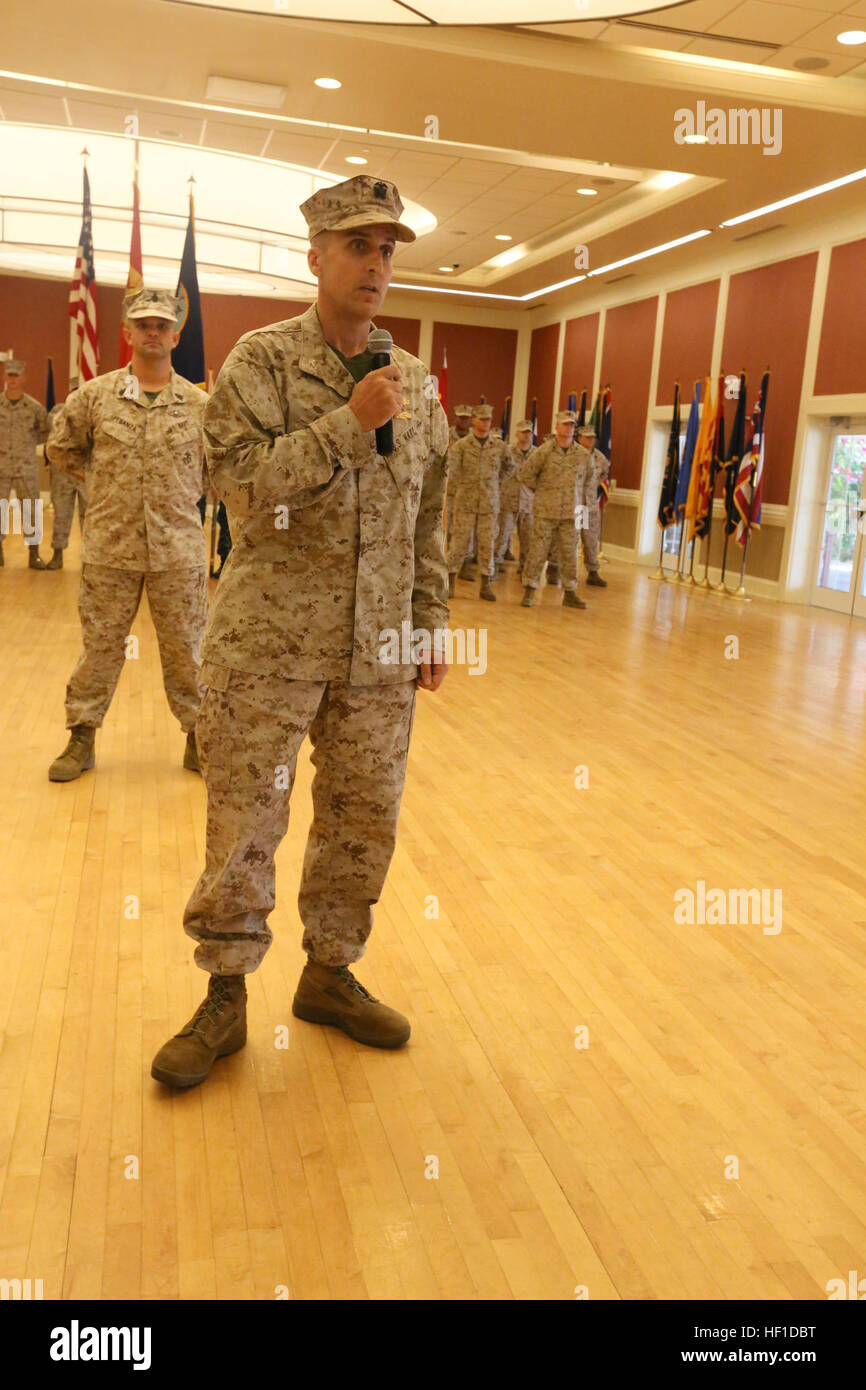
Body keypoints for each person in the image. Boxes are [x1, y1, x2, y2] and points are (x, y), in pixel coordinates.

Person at [151, 174, 450, 1090]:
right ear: (315, 255)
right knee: (245, 820)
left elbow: (428, 513)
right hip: (268, 649)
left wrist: (430, 619)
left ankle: (330, 973)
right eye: (358, 246)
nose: (377, 264)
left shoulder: (418, 386)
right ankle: (226, 996)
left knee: (364, 822)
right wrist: (347, 428)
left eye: (389, 248)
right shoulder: (260, 363)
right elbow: (236, 487)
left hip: (376, 656)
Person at [45, 289, 209, 780]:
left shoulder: (201, 406)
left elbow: (217, 470)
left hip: (178, 551)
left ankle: (198, 737)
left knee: (187, 649)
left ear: (176, 335)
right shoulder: (95, 397)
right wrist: (100, 487)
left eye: (162, 325)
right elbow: (61, 449)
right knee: (101, 646)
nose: (153, 332)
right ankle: (81, 737)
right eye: (144, 324)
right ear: (127, 333)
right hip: (109, 548)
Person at [518, 409, 594, 610]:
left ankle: (570, 592)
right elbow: (526, 475)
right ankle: (529, 590)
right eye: (565, 424)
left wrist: (582, 512)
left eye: (572, 425)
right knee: (537, 553)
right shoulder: (543, 451)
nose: (569, 428)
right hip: (545, 511)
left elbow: (587, 484)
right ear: (557, 427)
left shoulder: (584, 456)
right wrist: (543, 493)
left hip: (573, 513)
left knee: (570, 555)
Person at [446, 403, 514, 602]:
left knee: (487, 544)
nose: (485, 423)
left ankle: (485, 584)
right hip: (465, 502)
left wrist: (494, 483)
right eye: (482, 419)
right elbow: (453, 473)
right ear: (474, 421)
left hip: (489, 504)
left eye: (488, 420)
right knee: (458, 543)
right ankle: (450, 581)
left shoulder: (500, 447)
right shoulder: (462, 446)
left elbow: (509, 468)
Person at [0, 359, 50, 569]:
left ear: (23, 379)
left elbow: (45, 432)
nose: (12, 380)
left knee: (31, 510)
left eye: (16, 376)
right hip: (0, 467)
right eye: (9, 376)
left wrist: (26, 447)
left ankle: (34, 554)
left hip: (26, 467)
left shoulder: (34, 408)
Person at [43, 401, 88, 569]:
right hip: (63, 471)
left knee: (89, 517)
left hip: (86, 471)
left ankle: (89, 559)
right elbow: (54, 427)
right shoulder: (58, 411)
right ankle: (58, 553)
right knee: (61, 514)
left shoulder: (97, 410)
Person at [495, 418, 534, 580]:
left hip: (528, 503)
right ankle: (495, 565)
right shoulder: (507, 452)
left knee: (528, 539)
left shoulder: (537, 454)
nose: (526, 435)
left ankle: (525, 569)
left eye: (529, 432)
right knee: (502, 536)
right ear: (517, 434)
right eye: (523, 432)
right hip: (508, 501)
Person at [576, 422, 609, 588]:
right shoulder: (573, 455)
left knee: (591, 539)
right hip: (575, 505)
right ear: (579, 438)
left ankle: (593, 572)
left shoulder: (600, 458)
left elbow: (603, 474)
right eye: (587, 437)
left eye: (592, 437)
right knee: (570, 538)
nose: (590, 440)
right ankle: (558, 569)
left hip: (590, 505)